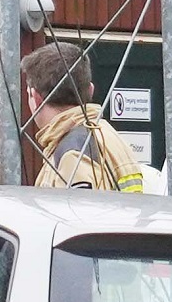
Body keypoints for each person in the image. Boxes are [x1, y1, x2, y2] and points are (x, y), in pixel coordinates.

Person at [22, 41, 145, 192]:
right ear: (90, 90)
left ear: (36, 97)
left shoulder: (72, 151)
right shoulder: (109, 136)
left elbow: (77, 214)